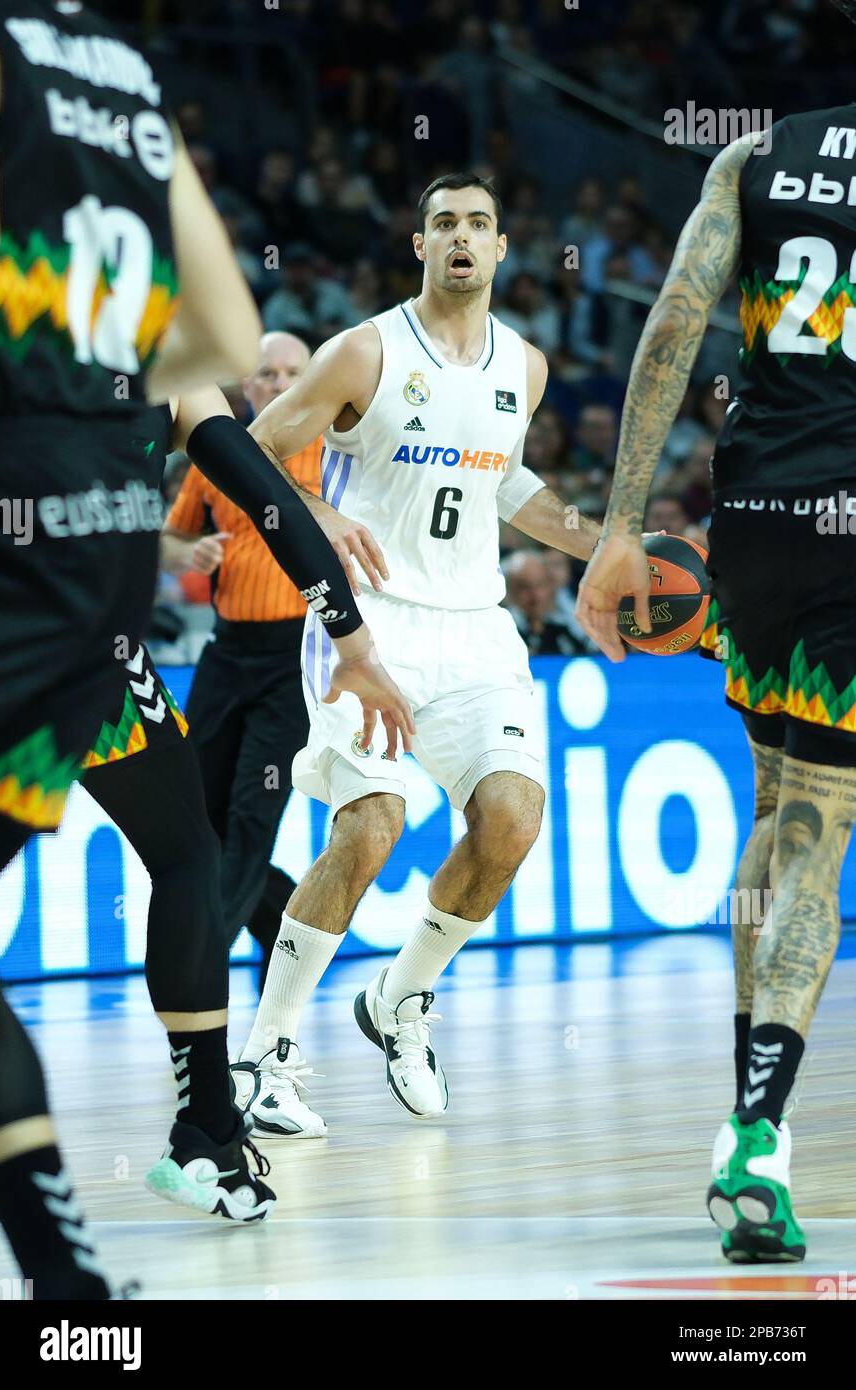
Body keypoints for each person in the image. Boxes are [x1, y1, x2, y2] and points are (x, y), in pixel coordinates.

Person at [230, 172, 602, 1138]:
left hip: (476, 627)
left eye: (480, 222)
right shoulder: (365, 350)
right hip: (371, 626)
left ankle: (400, 1000)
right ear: (422, 246)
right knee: (373, 825)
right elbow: (256, 447)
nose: (462, 239)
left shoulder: (525, 364)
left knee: (512, 821)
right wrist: (321, 513)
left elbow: (506, 486)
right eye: (444, 224)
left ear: (503, 246)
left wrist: (603, 547)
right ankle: (262, 1053)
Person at [0, 0, 261, 1300]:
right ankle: (78, 1273)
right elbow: (217, 334)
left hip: (11, 533)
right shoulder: (126, 86)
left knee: (189, 847)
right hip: (88, 573)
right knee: (192, 849)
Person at [576, 8, 856, 1263]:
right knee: (819, 827)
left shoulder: (752, 158)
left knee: (772, 803)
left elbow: (671, 330)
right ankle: (757, 1131)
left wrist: (623, 525)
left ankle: (741, 1123)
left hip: (752, 521)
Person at [78, 385, 415, 1198]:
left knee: (200, 848)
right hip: (81, 646)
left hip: (84, 646)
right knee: (190, 855)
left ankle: (211, 1132)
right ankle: (207, 1135)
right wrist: (353, 639)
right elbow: (266, 496)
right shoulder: (162, 356)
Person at [162, 333, 320, 993]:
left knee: (254, 816)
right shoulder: (213, 457)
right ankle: (283, 922)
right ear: (244, 386)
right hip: (227, 653)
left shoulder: (335, 457)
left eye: (292, 374)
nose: (278, 385)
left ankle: (202, 970)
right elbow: (171, 537)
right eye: (265, 375)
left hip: (296, 659)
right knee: (196, 818)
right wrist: (186, 555)